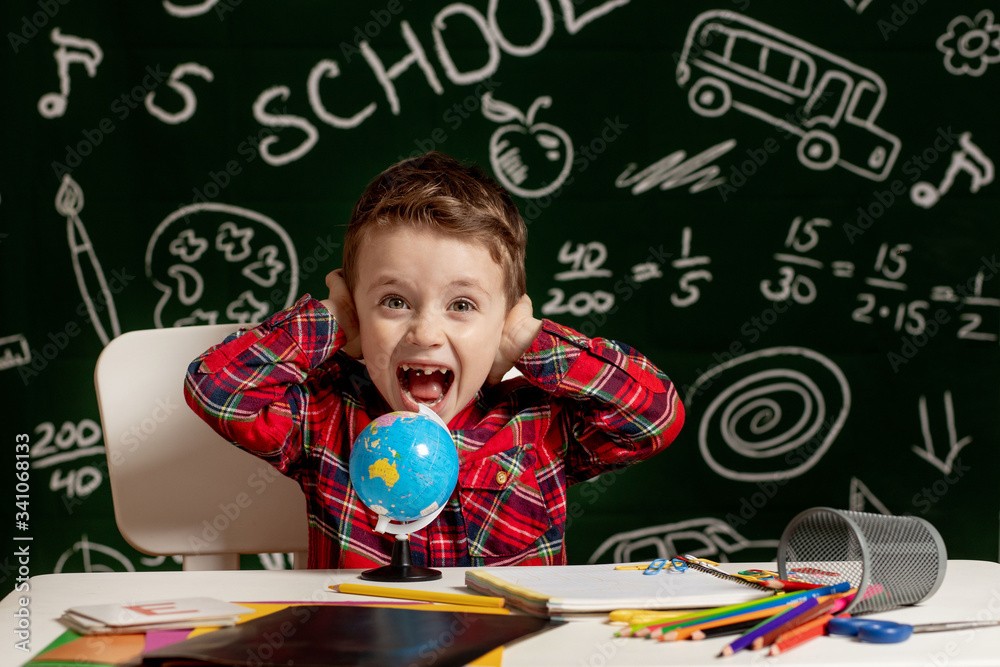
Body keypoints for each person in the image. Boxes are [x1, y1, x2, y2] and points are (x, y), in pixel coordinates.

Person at [184, 151, 684, 569]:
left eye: (462, 306)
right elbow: (218, 390)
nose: (425, 332)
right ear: (359, 312)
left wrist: (529, 342)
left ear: (503, 322)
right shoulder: (326, 415)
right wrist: (331, 320)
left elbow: (654, 417)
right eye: (394, 301)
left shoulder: (536, 423)